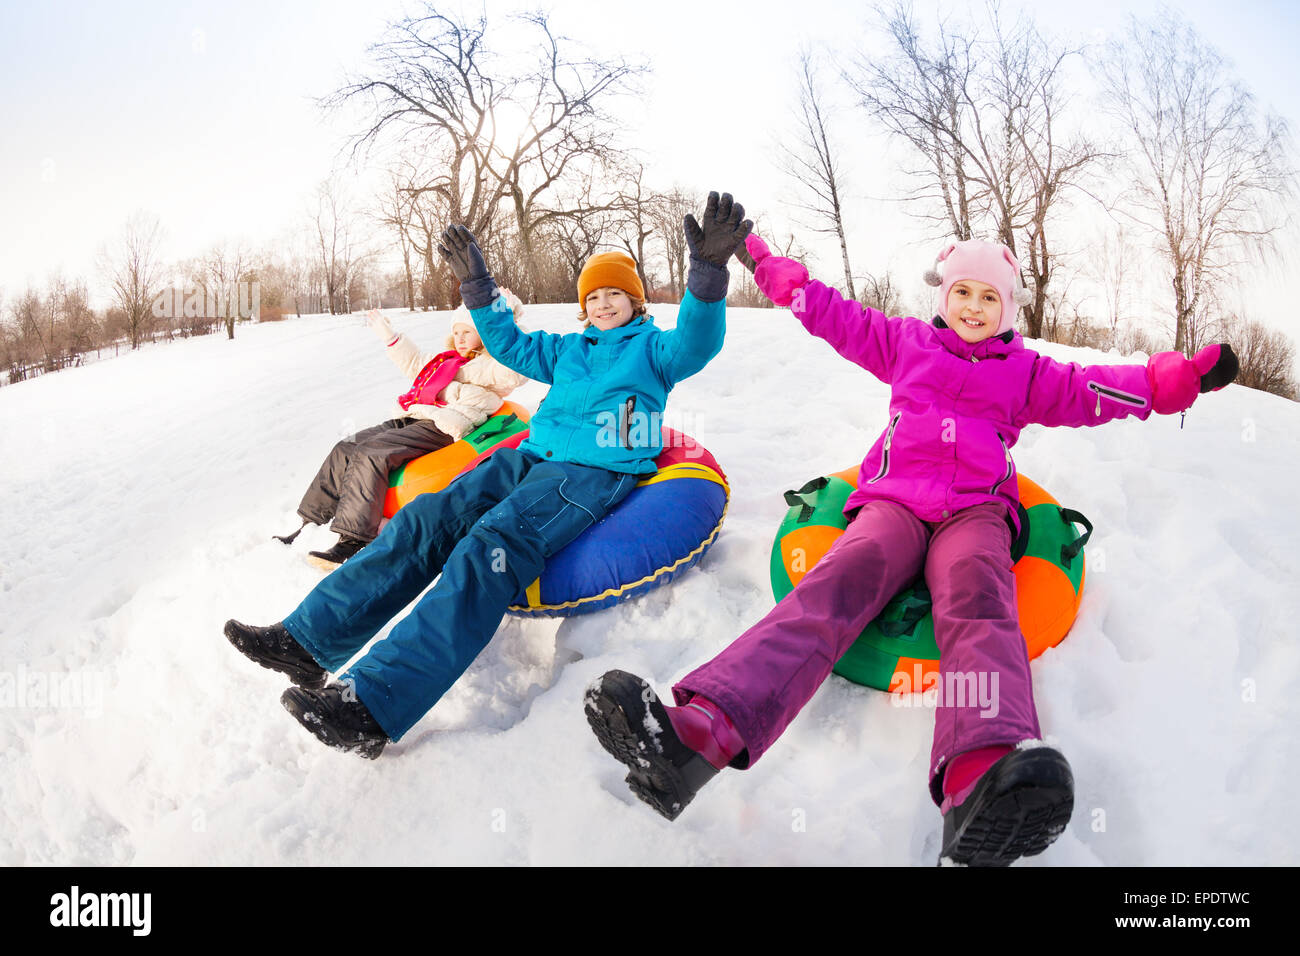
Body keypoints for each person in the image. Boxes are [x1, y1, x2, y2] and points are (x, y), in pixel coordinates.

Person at [584, 234, 1238, 866]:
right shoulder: (908, 344)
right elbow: (836, 317)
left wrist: (1173, 381)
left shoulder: (1027, 373)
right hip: (893, 503)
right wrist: (768, 264)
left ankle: (981, 773)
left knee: (979, 596)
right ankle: (700, 734)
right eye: (964, 292)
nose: (975, 307)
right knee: (838, 581)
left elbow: (1095, 389)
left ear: (1007, 309)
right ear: (944, 295)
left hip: (976, 511)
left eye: (990, 297)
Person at [225, 191, 752, 759]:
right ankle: (306, 641)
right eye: (593, 296)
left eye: (615, 295)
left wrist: (707, 275)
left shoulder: (655, 350)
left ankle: (373, 706)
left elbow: (699, 342)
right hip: (531, 456)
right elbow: (508, 343)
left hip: (592, 473)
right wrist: (478, 287)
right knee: (427, 521)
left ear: (636, 301)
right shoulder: (568, 350)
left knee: (489, 549)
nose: (603, 304)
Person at [274, 298, 527, 569]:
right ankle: (310, 522)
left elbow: (515, 373)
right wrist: (390, 335)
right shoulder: (445, 360)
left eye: (468, 331)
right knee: (345, 447)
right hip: (414, 415)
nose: (460, 338)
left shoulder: (491, 365)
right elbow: (415, 362)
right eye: (456, 332)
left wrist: (504, 320)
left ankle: (352, 541)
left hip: (445, 425)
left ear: (484, 332)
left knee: (371, 453)